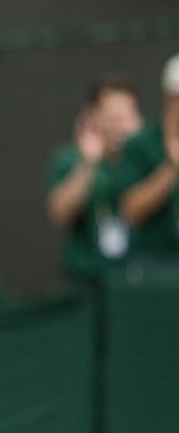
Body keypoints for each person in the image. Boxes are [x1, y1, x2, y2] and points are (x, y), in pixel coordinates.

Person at [45, 75, 142, 286]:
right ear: (92, 116)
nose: (122, 127)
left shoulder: (144, 160)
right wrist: (88, 165)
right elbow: (60, 211)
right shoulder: (71, 160)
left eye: (128, 117)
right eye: (114, 118)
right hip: (87, 281)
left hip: (137, 279)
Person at [116, 54, 179, 260]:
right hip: (155, 267)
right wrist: (172, 167)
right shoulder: (140, 144)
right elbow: (131, 210)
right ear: (168, 97)